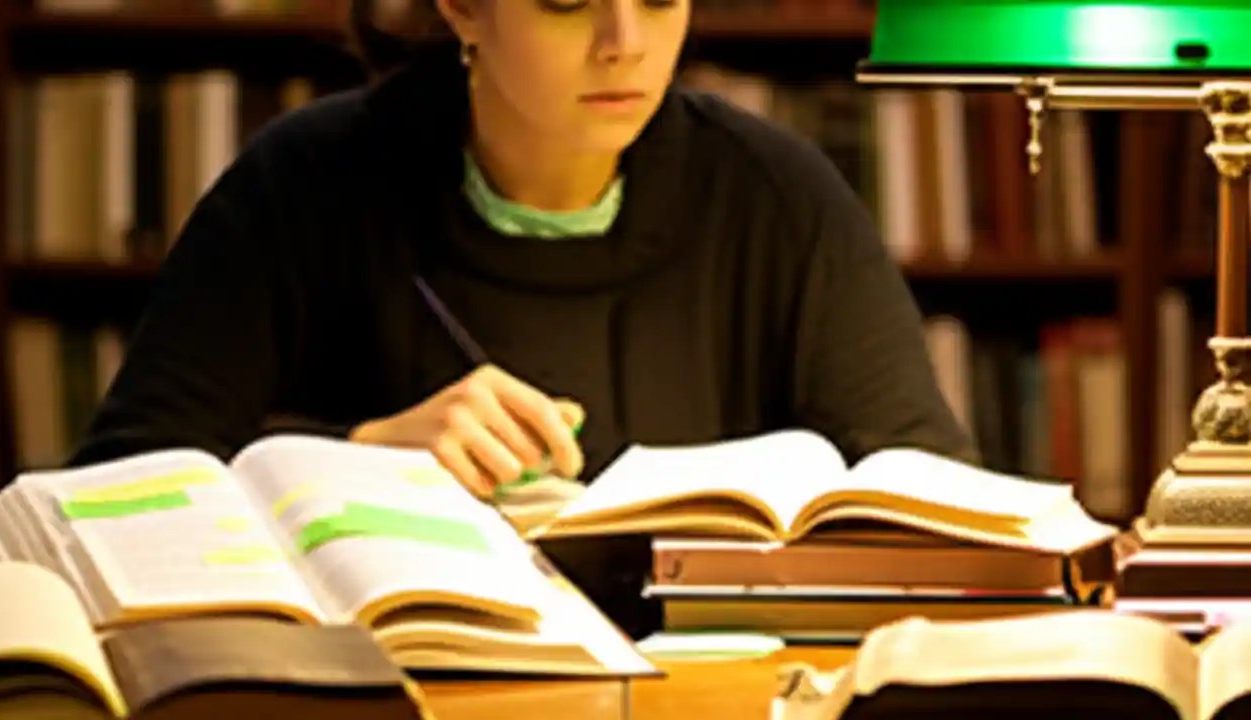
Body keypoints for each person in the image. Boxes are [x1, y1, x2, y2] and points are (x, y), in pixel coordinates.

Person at [70, 0, 978, 637]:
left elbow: (942, 510)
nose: (624, 41)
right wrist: (353, 460)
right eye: (567, 1)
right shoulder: (304, 183)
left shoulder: (781, 199)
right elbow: (112, 495)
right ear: (462, 7)